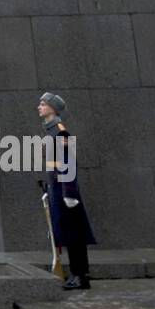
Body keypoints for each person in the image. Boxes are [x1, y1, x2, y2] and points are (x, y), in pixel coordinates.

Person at [38, 92, 95, 290]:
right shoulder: (50, 131)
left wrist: (69, 192)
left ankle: (80, 275)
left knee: (74, 235)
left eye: (43, 104)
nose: (39, 107)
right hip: (57, 189)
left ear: (53, 109)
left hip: (65, 192)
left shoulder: (59, 132)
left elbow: (68, 163)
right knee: (69, 234)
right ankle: (77, 274)